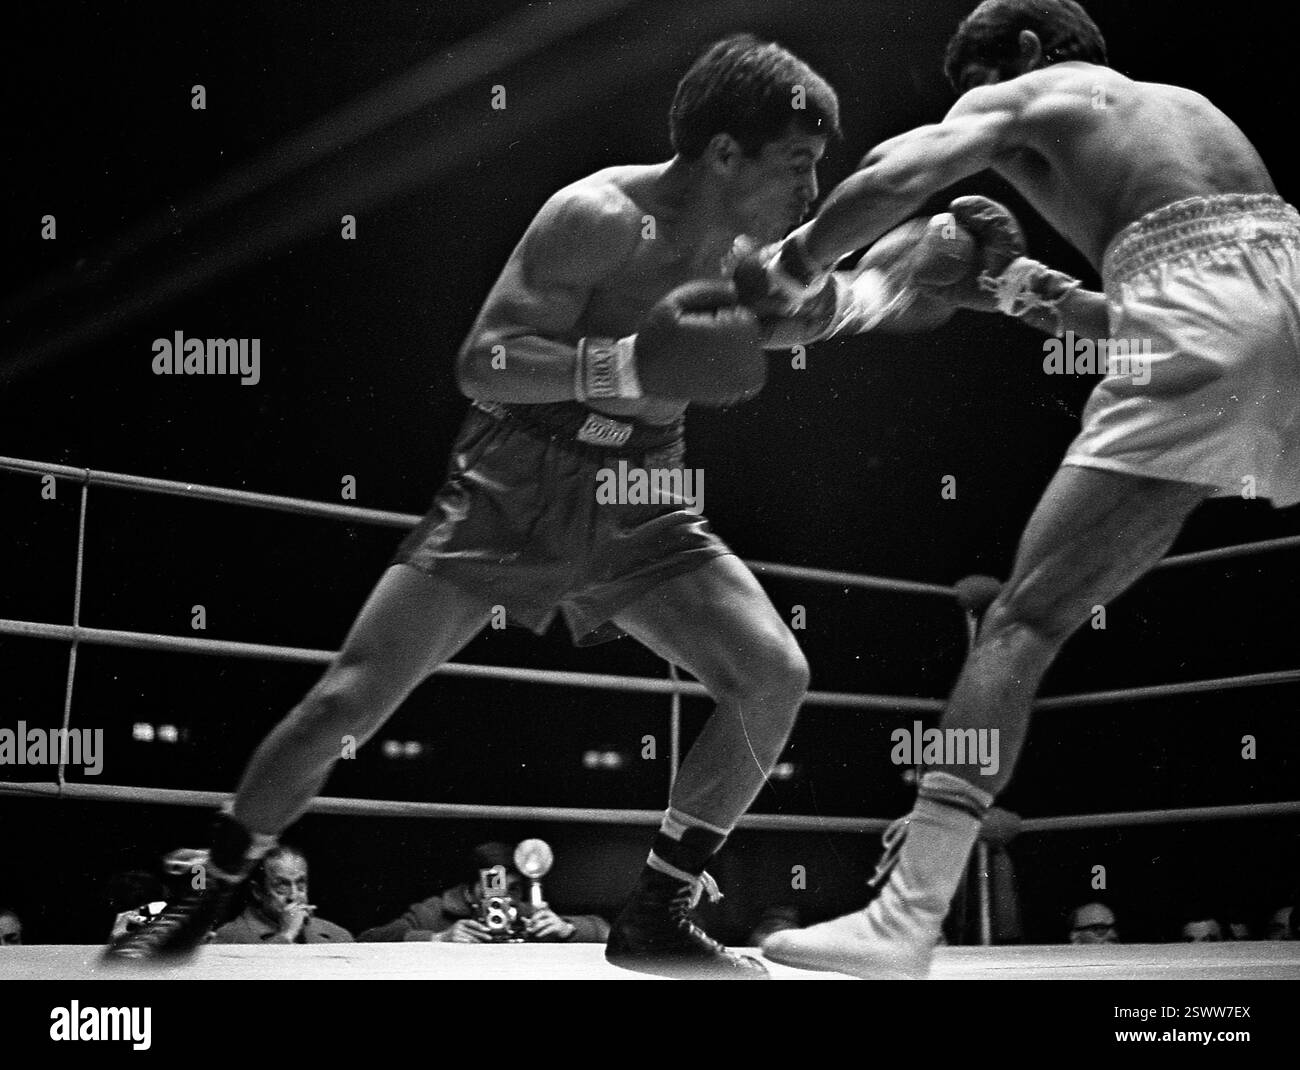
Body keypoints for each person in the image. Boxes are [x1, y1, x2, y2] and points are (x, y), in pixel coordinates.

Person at [103, 33, 991, 979]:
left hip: (643, 491)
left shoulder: (753, 256)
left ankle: (657, 911)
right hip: (515, 482)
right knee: (347, 699)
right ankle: (205, 898)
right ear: (726, 153)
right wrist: (630, 364)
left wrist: (926, 270)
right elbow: (484, 360)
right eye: (798, 164)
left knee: (772, 673)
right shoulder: (597, 215)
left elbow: (833, 307)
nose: (813, 192)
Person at [743, 0, 1300, 978]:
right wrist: (1014, 288)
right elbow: (1178, 319)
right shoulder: (1187, 118)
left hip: (1200, 326)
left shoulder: (1040, 91)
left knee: (1022, 620)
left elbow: (900, 172)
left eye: (974, 91)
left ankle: (907, 915)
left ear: (1028, 51)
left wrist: (793, 266)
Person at [359, 842, 608, 943]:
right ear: (470, 889)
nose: (504, 898)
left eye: (513, 889)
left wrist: (567, 929)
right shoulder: (436, 911)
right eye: (493, 888)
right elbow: (369, 939)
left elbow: (605, 932)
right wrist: (438, 938)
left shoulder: (524, 912)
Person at [213, 846, 352, 945]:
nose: (294, 895)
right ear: (258, 892)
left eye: (300, 884)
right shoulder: (229, 937)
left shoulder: (337, 936)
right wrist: (286, 935)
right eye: (282, 886)